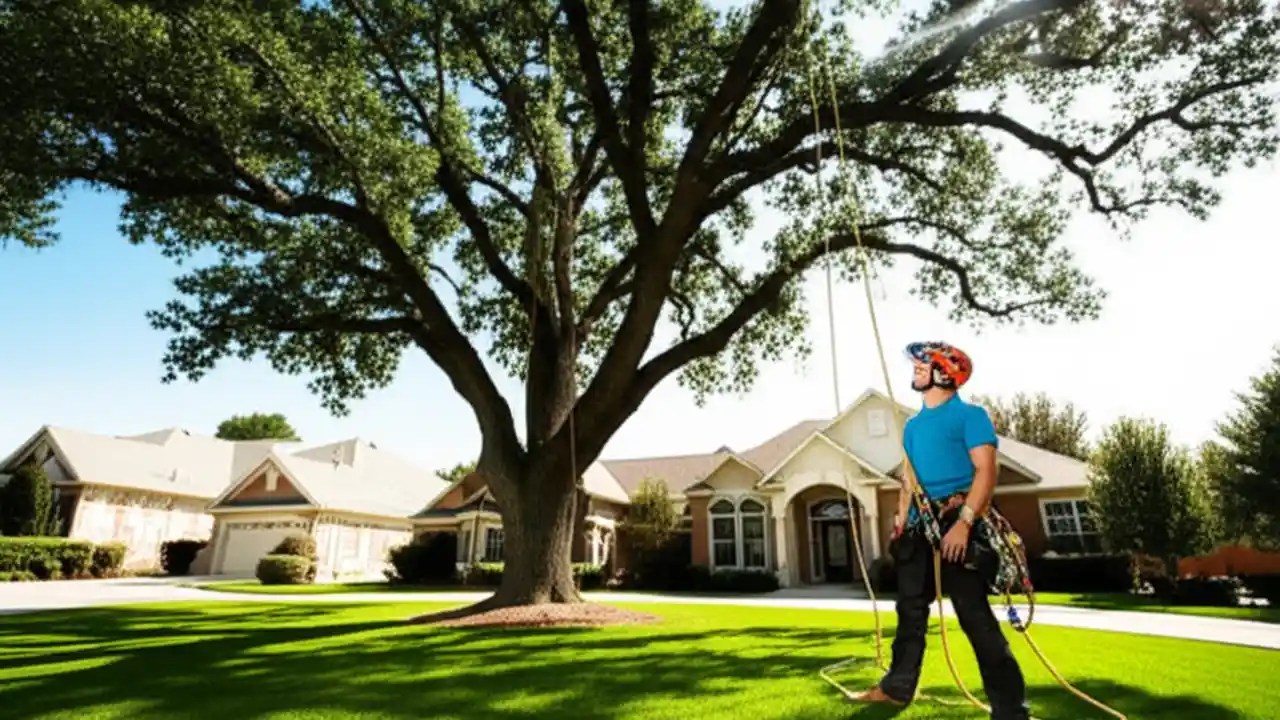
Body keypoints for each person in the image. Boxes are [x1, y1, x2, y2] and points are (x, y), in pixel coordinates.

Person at [854, 341, 1030, 720]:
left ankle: (1011, 709)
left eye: (923, 364)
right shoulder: (913, 427)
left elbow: (987, 472)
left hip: (958, 521)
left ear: (945, 373)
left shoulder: (970, 416)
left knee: (974, 616)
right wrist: (902, 520)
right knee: (910, 611)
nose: (915, 368)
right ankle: (896, 689)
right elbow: (909, 478)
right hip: (921, 528)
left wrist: (965, 523)